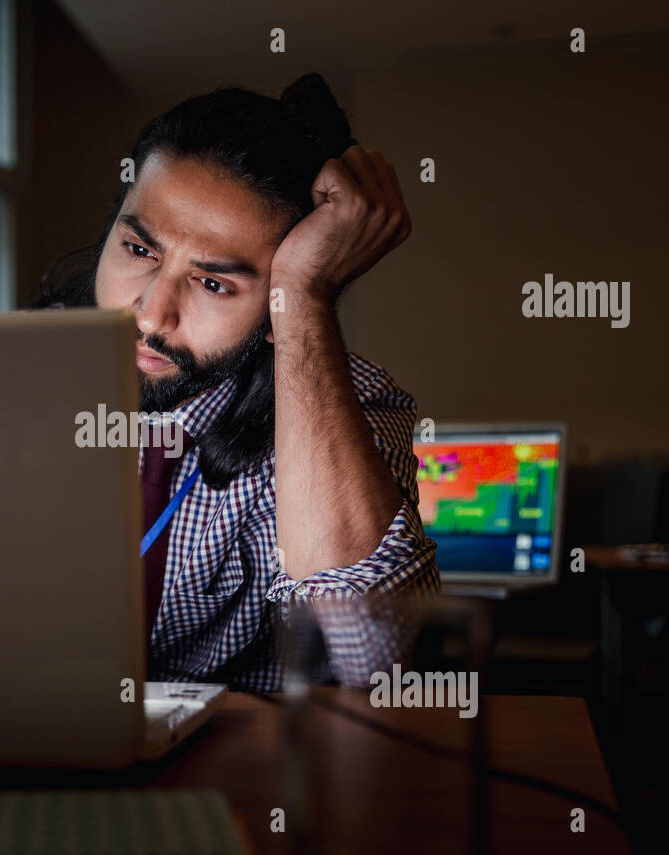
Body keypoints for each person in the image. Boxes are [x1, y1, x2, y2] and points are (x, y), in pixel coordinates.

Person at [33, 73, 439, 691]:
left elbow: (375, 659)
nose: (150, 314)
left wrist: (305, 297)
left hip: (238, 776)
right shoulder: (16, 365)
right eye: (139, 251)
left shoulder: (344, 402)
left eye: (215, 283)